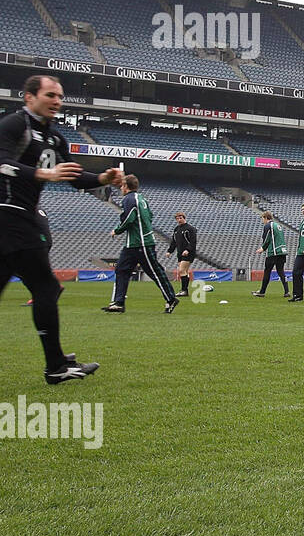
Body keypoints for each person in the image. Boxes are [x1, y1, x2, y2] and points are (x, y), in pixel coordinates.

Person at [0, 74, 122, 382]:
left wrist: (101, 179)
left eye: (60, 96)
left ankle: (55, 359)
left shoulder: (55, 138)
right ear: (29, 97)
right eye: (50, 95)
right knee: (46, 286)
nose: (57, 101)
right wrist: (43, 174)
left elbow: (72, 176)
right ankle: (55, 365)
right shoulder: (14, 125)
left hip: (20, 216)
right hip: (10, 214)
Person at [103, 174, 180, 314]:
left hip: (141, 244)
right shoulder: (141, 198)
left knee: (155, 272)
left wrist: (117, 230)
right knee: (121, 269)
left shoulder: (129, 199)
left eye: (122, 185)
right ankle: (118, 302)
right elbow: (150, 216)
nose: (120, 188)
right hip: (134, 243)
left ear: (126, 186)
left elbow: (129, 218)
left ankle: (171, 298)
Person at [252, 210, 289, 297]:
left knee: (267, 271)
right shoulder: (278, 225)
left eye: (262, 218)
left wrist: (263, 248)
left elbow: (267, 238)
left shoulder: (268, 226)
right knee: (281, 271)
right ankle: (287, 291)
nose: (262, 221)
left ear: (265, 218)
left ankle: (262, 292)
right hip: (282, 251)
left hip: (274, 252)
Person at [167, 211, 198, 296]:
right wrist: (170, 251)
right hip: (180, 253)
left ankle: (184, 290)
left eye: (180, 218)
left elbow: (193, 242)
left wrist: (187, 250)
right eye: (177, 218)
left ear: (184, 218)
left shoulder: (190, 229)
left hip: (188, 253)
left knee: (181, 270)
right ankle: (185, 290)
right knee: (184, 272)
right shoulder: (176, 229)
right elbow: (174, 241)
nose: (179, 220)